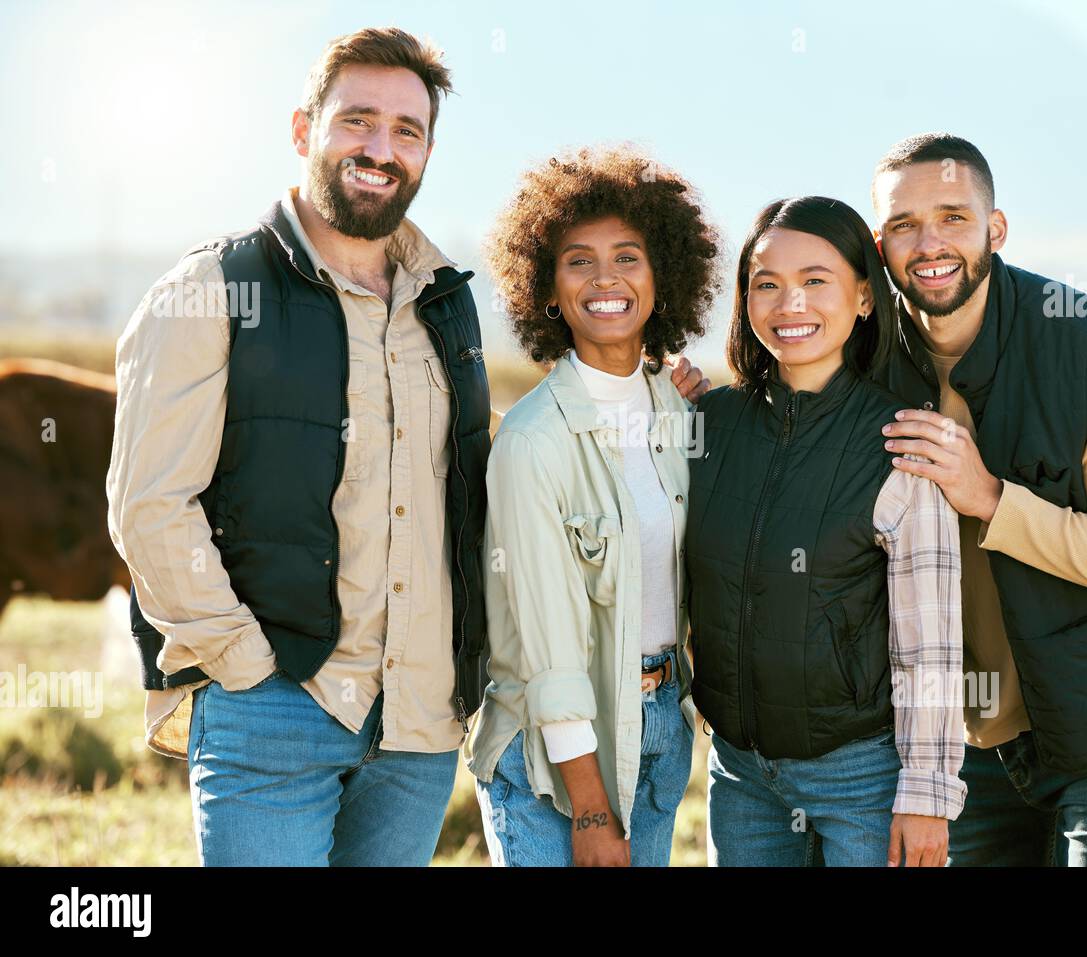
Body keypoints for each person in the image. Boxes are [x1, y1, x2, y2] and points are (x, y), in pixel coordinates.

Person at [105, 29, 707, 867]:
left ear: (427, 150)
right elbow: (148, 508)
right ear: (301, 128)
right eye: (357, 121)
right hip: (276, 711)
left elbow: (471, 473)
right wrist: (249, 670)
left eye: (407, 130)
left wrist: (635, 413)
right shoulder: (208, 294)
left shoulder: (445, 303)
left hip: (419, 729)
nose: (381, 148)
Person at [870, 132, 1087, 866]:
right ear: (880, 242)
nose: (929, 243)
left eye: (954, 217)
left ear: (996, 228)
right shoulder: (867, 359)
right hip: (976, 752)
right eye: (904, 224)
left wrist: (993, 499)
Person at [685, 196, 966, 867]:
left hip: (861, 778)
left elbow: (931, 644)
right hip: (740, 772)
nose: (791, 305)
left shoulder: (901, 442)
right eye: (767, 285)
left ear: (864, 298)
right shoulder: (706, 427)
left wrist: (927, 794)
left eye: (816, 281)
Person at [464, 146, 720, 866]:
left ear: (662, 275)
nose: (605, 278)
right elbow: (548, 649)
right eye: (579, 260)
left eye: (628, 256)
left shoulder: (677, 410)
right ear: (548, 288)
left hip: (661, 726)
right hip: (559, 758)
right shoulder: (532, 440)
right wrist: (591, 808)